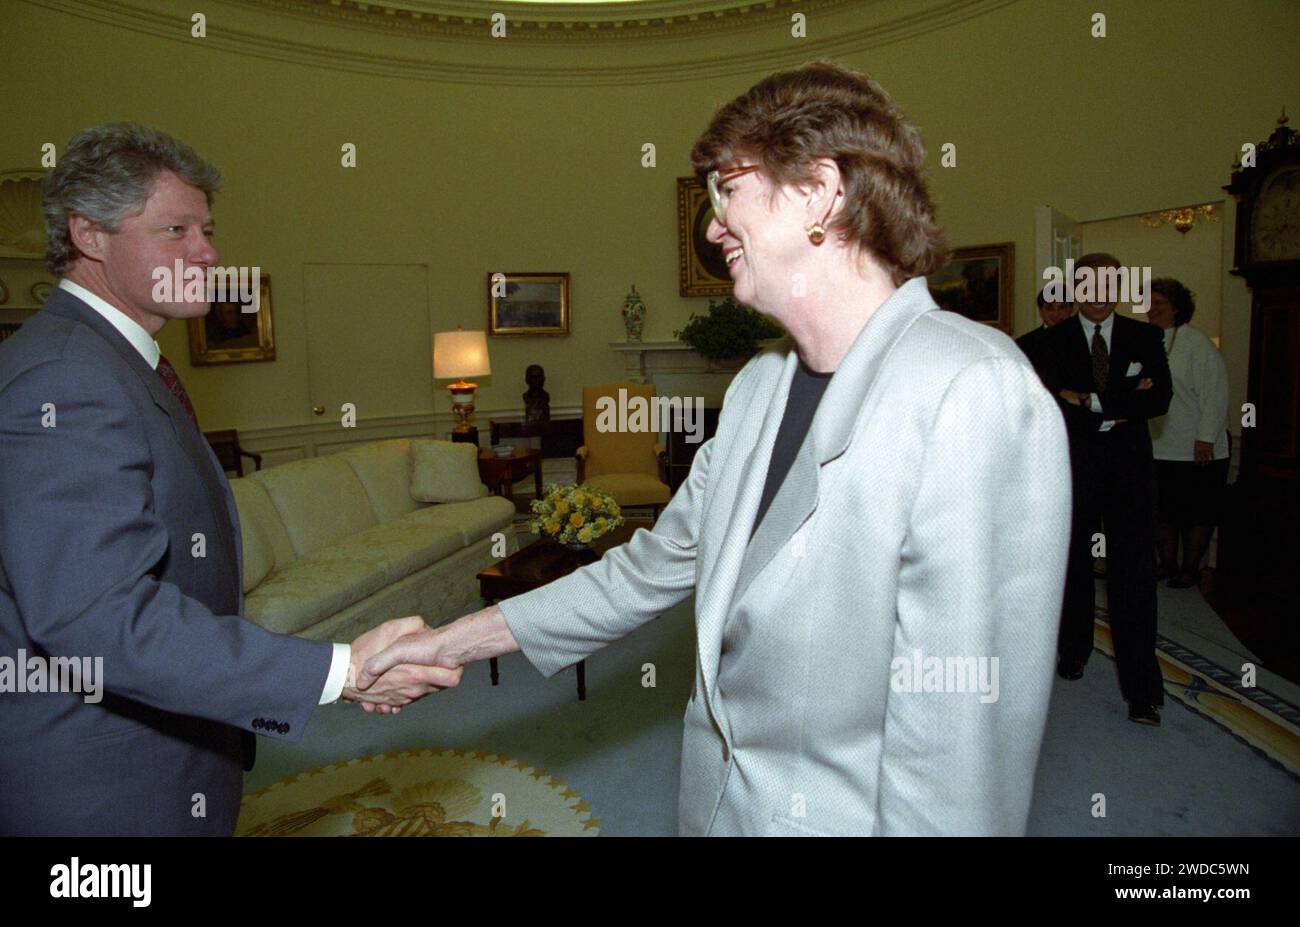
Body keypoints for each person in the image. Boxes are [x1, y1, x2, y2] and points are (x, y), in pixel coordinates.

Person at [361, 62, 1072, 836]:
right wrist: (448, 641)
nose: (711, 227)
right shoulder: (759, 388)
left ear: (817, 192)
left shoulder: (971, 391)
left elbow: (958, 759)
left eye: (727, 192)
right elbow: (649, 568)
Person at [0, 123, 459, 836]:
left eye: (207, 229)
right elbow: (97, 617)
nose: (206, 252)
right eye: (174, 229)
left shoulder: (115, 362)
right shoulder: (67, 375)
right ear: (89, 235)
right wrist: (339, 668)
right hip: (103, 788)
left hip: (166, 749)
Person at [1038, 252, 1172, 725]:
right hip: (1070, 470)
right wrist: (1122, 403)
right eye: (1086, 286)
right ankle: (1073, 650)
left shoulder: (1146, 337)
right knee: (1071, 565)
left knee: (1133, 577)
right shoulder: (1044, 343)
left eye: (1106, 286)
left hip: (1130, 475)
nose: (1097, 296)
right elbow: (1040, 403)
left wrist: (1088, 399)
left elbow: (1158, 399)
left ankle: (1143, 689)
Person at [1146, 278, 1230, 588]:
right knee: (1162, 513)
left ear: (1177, 307)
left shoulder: (1197, 343)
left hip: (1199, 447)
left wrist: (1205, 437)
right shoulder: (1144, 340)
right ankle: (1166, 564)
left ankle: (1190, 568)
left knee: (1198, 512)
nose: (1152, 308)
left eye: (1160, 303)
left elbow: (1216, 394)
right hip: (1158, 445)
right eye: (1149, 302)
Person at [1017, 283, 1074, 371]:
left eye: (1062, 307)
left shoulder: (1087, 339)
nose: (1056, 313)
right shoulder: (1025, 344)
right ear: (1041, 312)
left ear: (1071, 309)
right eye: (1049, 308)